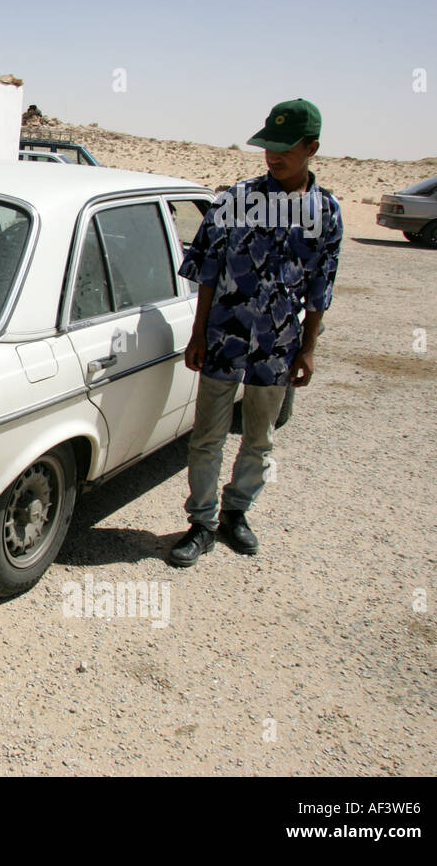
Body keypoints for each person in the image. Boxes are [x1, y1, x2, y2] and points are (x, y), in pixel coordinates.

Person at [168, 98, 343, 567]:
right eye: (268, 146)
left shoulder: (325, 212)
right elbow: (207, 271)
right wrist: (199, 333)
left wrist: (308, 350)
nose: (273, 156)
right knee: (207, 436)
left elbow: (320, 288)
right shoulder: (236, 200)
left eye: (285, 148)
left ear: (312, 148)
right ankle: (201, 523)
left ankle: (236, 514)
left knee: (259, 438)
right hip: (225, 338)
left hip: (279, 346)